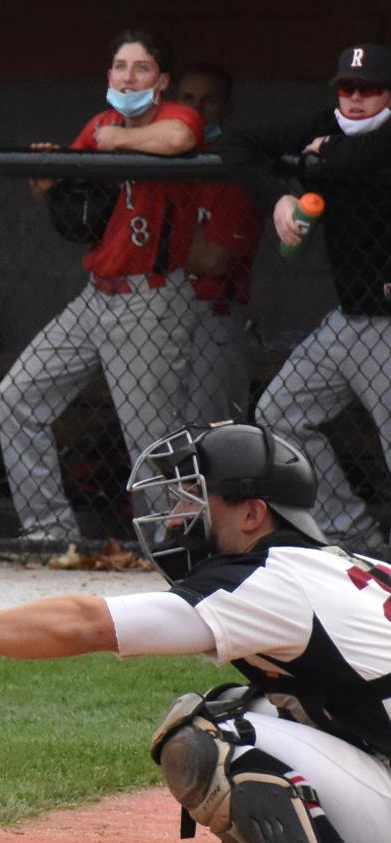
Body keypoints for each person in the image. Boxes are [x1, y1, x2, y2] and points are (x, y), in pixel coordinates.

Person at [0, 420, 391, 843]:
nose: (179, 518)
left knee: (207, 738)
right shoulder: (347, 569)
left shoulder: (270, 579)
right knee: (248, 705)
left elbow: (87, 623)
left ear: (253, 514)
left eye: (196, 499)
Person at [0, 29, 204, 546]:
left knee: (151, 441)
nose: (127, 76)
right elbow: (72, 193)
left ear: (162, 81)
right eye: (119, 66)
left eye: (141, 67)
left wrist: (119, 141)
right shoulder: (100, 123)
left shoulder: (177, 117)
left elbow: (178, 141)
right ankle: (49, 535)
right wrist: (45, 180)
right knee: (14, 398)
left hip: (151, 300)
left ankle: (177, 549)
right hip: (96, 295)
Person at [221, 43, 391, 550]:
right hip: (350, 317)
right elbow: (240, 145)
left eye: (370, 89)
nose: (356, 99)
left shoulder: (352, 139)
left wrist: (323, 157)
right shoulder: (327, 122)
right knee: (279, 412)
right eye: (347, 88)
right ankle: (354, 539)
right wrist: (280, 198)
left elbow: (366, 155)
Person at [175, 64, 261, 425]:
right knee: (166, 439)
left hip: (214, 316)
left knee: (211, 440)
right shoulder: (164, 165)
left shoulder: (234, 169)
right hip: (166, 318)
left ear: (226, 108)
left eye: (209, 101)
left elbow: (214, 261)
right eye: (187, 99)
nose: (197, 109)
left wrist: (165, 244)